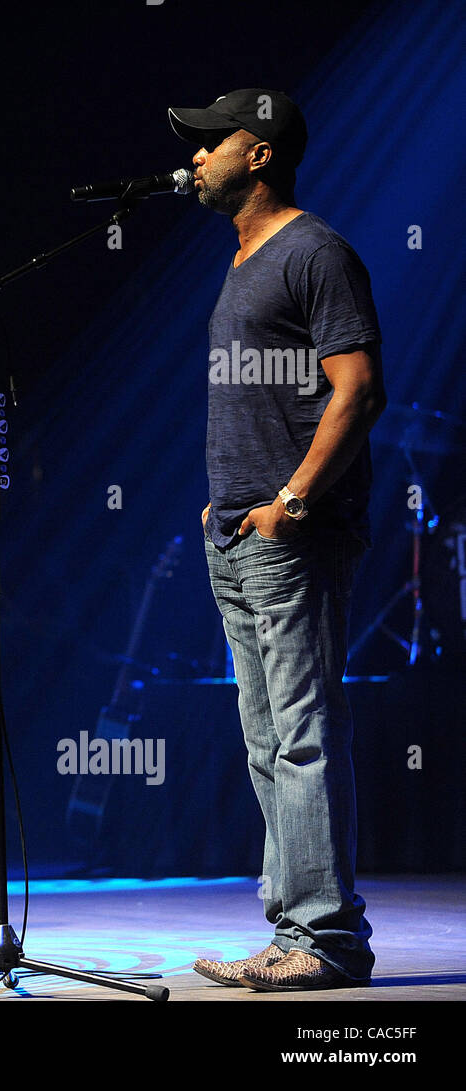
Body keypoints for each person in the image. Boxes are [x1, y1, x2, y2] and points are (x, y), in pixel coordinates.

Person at [169, 90, 385, 990]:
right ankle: (297, 926)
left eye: (211, 143)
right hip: (238, 533)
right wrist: (226, 505)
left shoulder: (315, 251)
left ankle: (327, 940)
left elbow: (359, 387)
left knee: (301, 733)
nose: (195, 158)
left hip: (291, 533)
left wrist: (290, 500)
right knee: (266, 740)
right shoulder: (242, 258)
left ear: (257, 155)